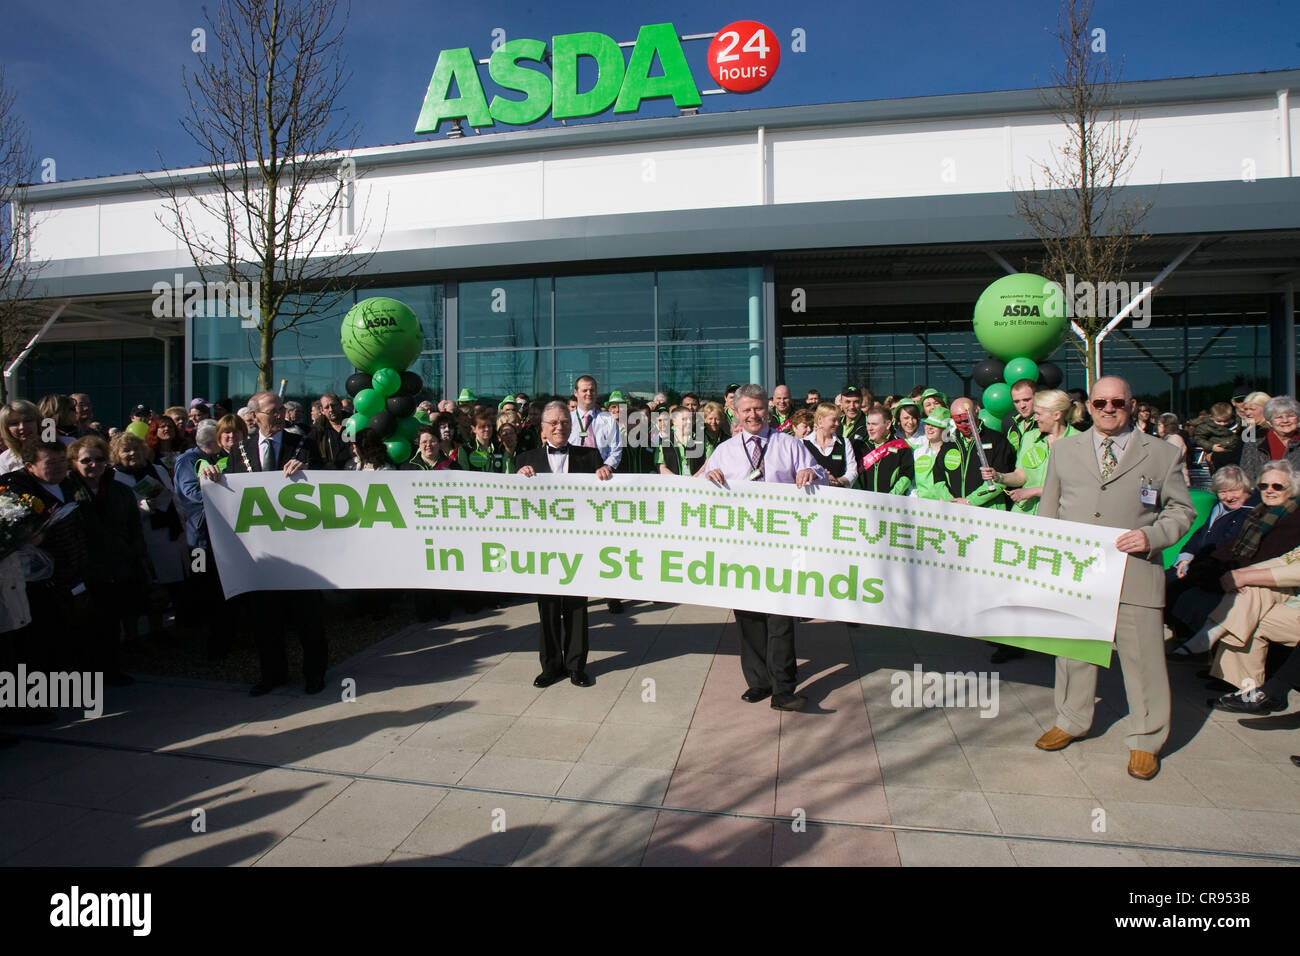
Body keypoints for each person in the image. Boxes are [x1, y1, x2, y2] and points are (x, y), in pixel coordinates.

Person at [1034, 376, 1196, 781]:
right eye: (1100, 402)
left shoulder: (1161, 454)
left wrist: (1152, 536)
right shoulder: (1064, 450)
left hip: (1135, 569)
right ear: (1087, 406)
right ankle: (1071, 718)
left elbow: (1182, 510)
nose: (1109, 409)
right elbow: (1048, 510)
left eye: (1117, 402)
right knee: (1073, 651)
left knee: (1143, 659)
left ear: (1132, 404)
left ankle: (1146, 739)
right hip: (1077, 572)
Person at [704, 384, 828, 711]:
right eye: (746, 410)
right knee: (748, 618)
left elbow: (821, 477)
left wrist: (810, 472)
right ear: (735, 412)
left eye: (758, 408)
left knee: (780, 617)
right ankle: (759, 682)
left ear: (768, 409)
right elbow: (699, 489)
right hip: (741, 545)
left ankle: (784, 688)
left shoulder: (789, 445)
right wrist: (708, 475)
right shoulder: (725, 451)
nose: (753, 415)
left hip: (782, 545)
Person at [221, 391, 327, 695]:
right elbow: (231, 490)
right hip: (262, 552)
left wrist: (306, 471)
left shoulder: (303, 444)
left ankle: (315, 673)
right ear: (255, 416)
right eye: (273, 411)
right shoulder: (240, 449)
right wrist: (213, 478)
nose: (280, 415)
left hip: (299, 549)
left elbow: (326, 481)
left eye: (281, 409)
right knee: (265, 618)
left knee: (308, 616)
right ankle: (273, 674)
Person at [516, 400, 613, 688]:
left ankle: (576, 666)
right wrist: (516, 480)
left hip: (578, 545)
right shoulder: (525, 459)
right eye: (554, 423)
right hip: (542, 547)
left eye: (565, 423)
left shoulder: (590, 456)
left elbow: (604, 501)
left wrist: (606, 477)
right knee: (546, 608)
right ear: (542, 429)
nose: (560, 427)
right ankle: (550, 666)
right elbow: (511, 503)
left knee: (576, 606)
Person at [68, 435, 149, 679]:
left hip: (118, 568)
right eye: (86, 460)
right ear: (74, 462)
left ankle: (112, 669)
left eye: (99, 459)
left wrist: (134, 554)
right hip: (84, 571)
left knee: (112, 622)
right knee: (86, 625)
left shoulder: (120, 491)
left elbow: (135, 528)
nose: (93, 465)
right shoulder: (67, 492)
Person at [992, 389, 1084, 516]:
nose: (1035, 418)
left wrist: (1034, 491)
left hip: (1058, 516)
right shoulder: (1029, 437)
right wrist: (1000, 477)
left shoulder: (1080, 442)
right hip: (1025, 514)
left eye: (1039, 414)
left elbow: (1077, 488)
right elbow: (1021, 476)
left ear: (1056, 415)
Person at [936, 397, 1015, 509]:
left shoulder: (997, 440)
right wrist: (951, 501)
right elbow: (938, 476)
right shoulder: (950, 442)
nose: (963, 425)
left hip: (987, 512)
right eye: (958, 422)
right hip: (956, 510)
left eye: (967, 420)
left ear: (976, 412)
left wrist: (970, 501)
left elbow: (1001, 479)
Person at [1240, 395, 1300, 481]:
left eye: (1290, 416)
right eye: (1279, 417)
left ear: (1297, 419)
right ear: (1269, 422)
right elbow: (1246, 479)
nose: (1285, 420)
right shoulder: (1253, 445)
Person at [857, 405, 914, 495]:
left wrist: (891, 496)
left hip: (892, 503)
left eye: (874, 424)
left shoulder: (902, 447)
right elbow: (854, 475)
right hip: (865, 502)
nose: (870, 428)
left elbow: (906, 475)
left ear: (888, 424)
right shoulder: (860, 446)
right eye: (868, 424)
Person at [802, 402, 857, 488]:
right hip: (811, 496)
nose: (837, 424)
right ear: (820, 420)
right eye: (834, 420)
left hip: (838, 497)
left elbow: (852, 471)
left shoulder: (845, 442)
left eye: (838, 420)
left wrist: (838, 481)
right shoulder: (802, 443)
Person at [913, 406, 951, 500]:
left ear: (944, 430)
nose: (929, 428)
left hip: (947, 506)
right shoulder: (918, 452)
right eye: (927, 424)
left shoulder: (952, 453)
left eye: (934, 425)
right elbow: (913, 483)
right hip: (921, 506)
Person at [657, 406, 704, 477]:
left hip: (696, 484)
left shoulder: (701, 438)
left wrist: (694, 479)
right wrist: (678, 482)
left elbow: (707, 462)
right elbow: (661, 466)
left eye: (690, 419)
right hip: (673, 485)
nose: (689, 422)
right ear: (674, 421)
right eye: (684, 419)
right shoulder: (665, 441)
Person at [311, 393, 351, 470]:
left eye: (334, 405)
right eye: (326, 407)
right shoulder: (317, 429)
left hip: (356, 473)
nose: (331, 409)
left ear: (340, 405)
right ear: (322, 411)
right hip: (330, 475)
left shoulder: (353, 422)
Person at [0, 400, 41, 474]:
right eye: (14, 423)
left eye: (28, 421)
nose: (22, 427)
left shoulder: (58, 449)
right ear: (6, 428)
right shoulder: (5, 459)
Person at [147, 414, 190, 479]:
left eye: (170, 426)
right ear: (155, 430)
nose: (167, 429)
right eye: (162, 426)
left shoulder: (184, 448)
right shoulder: (150, 452)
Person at [1002, 379, 1039, 453]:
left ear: (1037, 397)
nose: (1022, 406)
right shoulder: (1009, 421)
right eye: (1016, 401)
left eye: (1026, 400)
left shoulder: (1047, 421)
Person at [1157, 412, 1190, 486]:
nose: (1157, 428)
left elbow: (1170, 460)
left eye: (1159, 425)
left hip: (1177, 482)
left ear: (1167, 426)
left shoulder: (1175, 439)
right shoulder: (1166, 439)